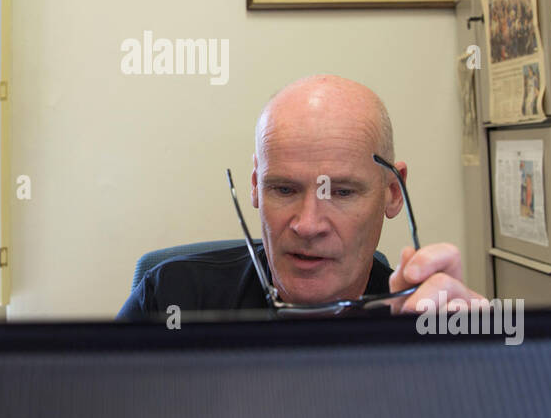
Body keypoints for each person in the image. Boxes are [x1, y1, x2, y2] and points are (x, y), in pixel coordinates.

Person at [118, 75, 482, 320]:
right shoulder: (171, 299)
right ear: (255, 186)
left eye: (341, 192)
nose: (308, 225)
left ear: (392, 192)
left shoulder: (422, 319)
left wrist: (468, 372)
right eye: (285, 189)